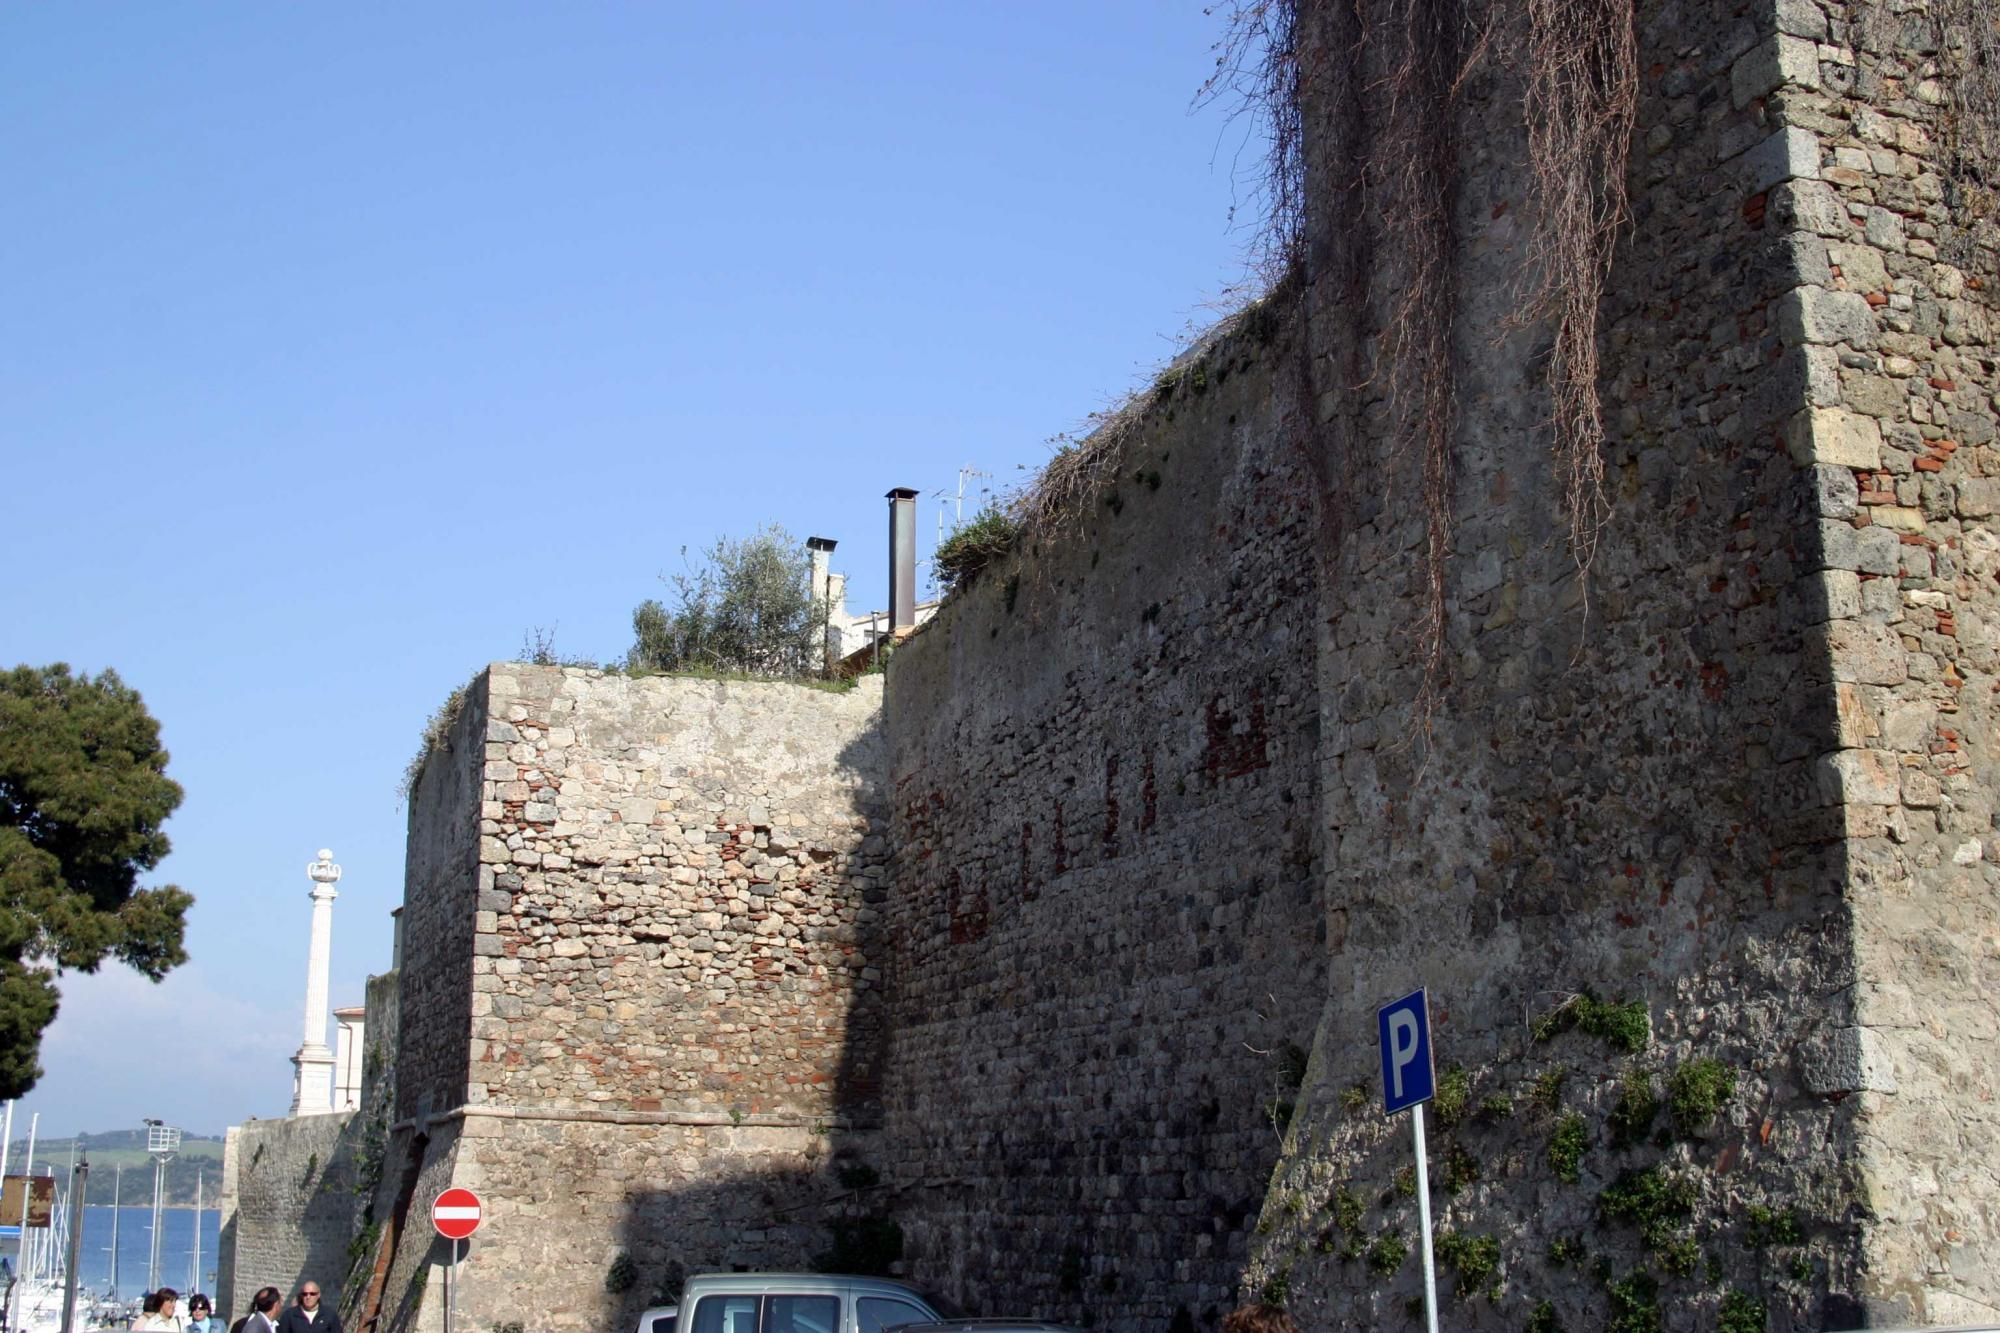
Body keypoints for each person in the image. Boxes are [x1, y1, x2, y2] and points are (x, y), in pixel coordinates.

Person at [276, 1281, 341, 1333]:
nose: (308, 1297)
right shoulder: (289, 1315)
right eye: (305, 1294)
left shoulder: (329, 1315)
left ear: (318, 1295)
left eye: (312, 1294)